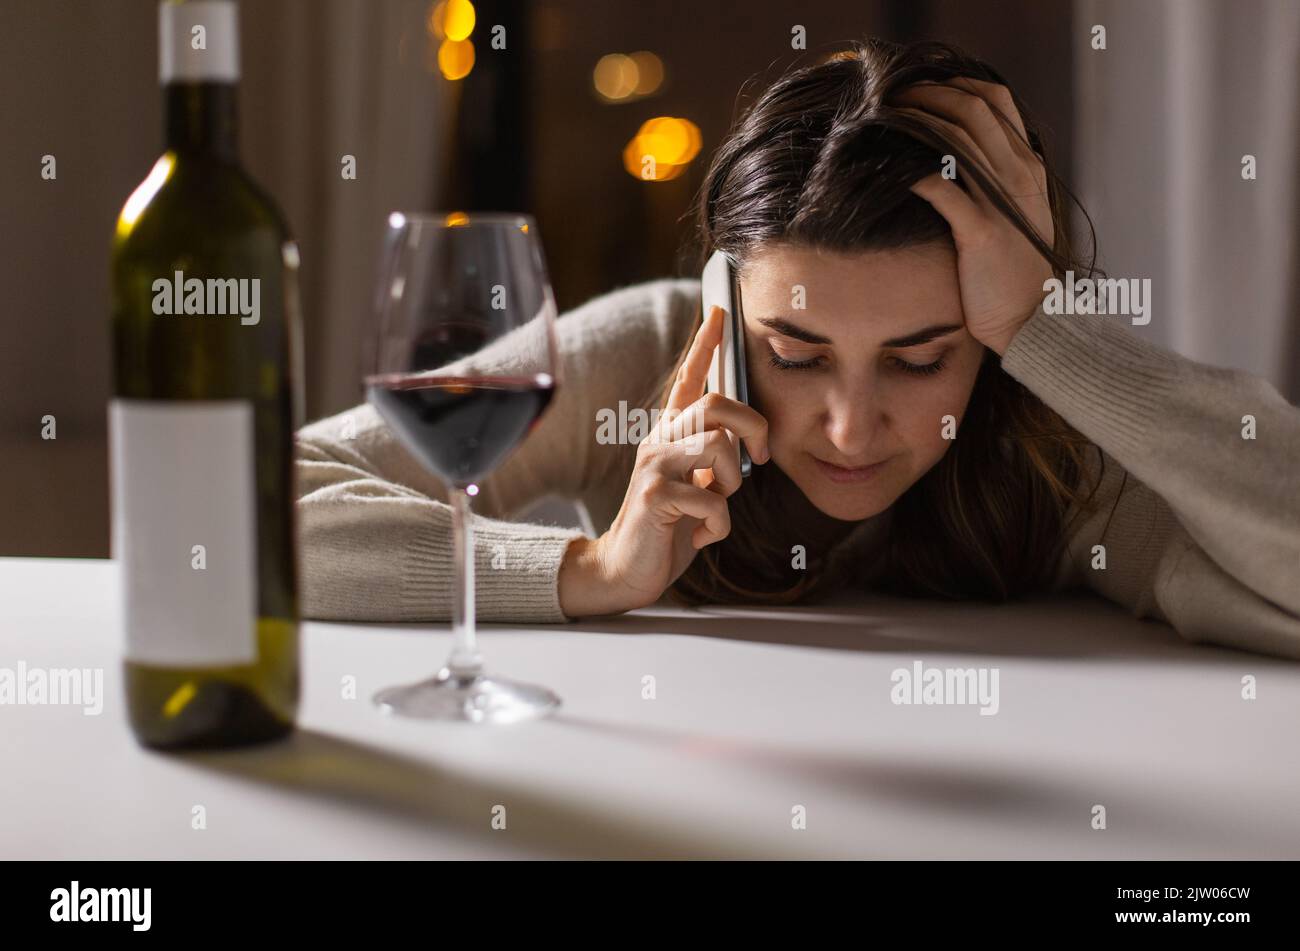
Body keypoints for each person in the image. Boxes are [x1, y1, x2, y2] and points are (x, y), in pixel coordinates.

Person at [295, 38, 1300, 659]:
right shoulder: (649, 349)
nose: (851, 427)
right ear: (723, 314)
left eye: (918, 359)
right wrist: (591, 569)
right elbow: (259, 505)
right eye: (795, 351)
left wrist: (1050, 332)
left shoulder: (1051, 433)